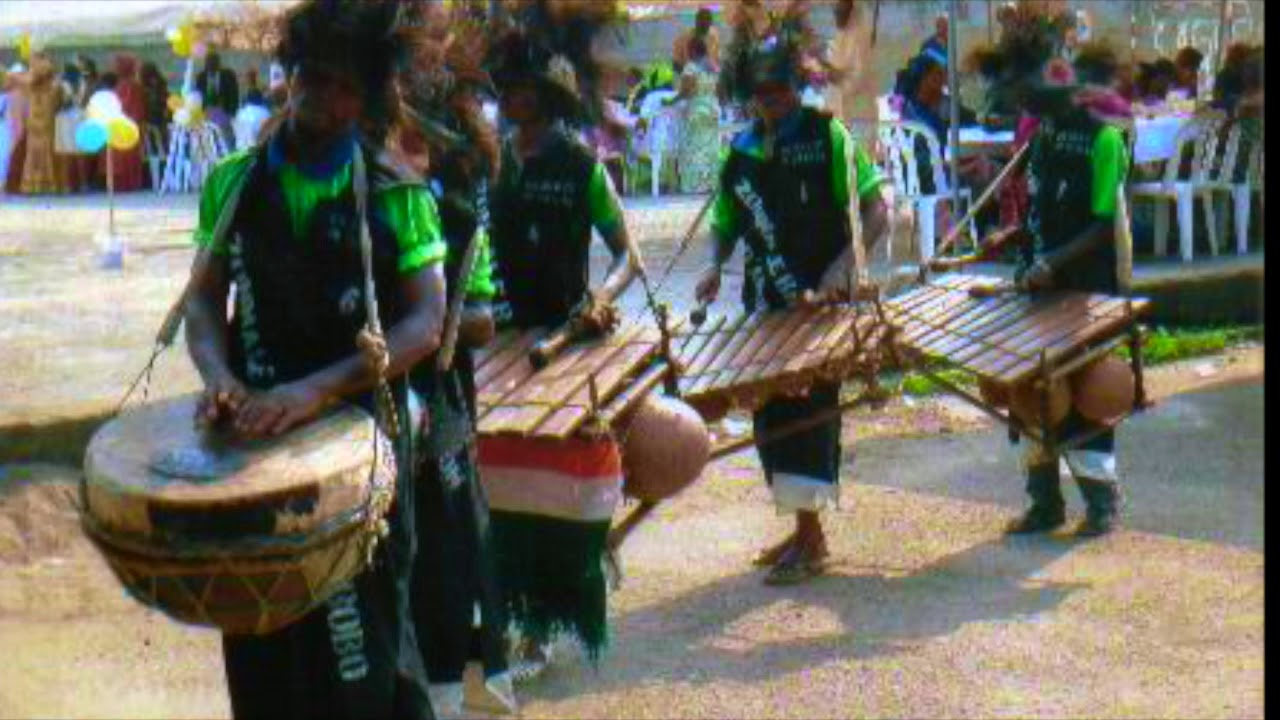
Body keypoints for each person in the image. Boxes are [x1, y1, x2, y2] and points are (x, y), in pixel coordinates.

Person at [181, 1, 446, 717]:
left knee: (361, 656)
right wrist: (222, 379)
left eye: (340, 86)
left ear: (368, 99)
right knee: (262, 657)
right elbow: (201, 305)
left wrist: (316, 392)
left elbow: (426, 323)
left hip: (359, 449)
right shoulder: (233, 182)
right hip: (255, 452)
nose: (318, 97)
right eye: (309, 77)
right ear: (287, 75)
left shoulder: (396, 193)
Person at [699, 8, 890, 585]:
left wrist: (838, 276)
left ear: (796, 85)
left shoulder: (827, 136)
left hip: (822, 309)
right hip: (768, 306)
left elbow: (877, 210)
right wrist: (713, 265)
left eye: (781, 89)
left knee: (811, 416)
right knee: (769, 417)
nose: (772, 100)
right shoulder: (741, 153)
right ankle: (802, 529)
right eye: (762, 93)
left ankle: (812, 538)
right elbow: (726, 220)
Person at [482, 0, 639, 679]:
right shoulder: (491, 163)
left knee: (560, 486)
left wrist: (600, 303)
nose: (510, 100)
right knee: (504, 483)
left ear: (545, 95)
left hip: (570, 346)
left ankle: (549, 619)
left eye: (521, 89)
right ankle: (520, 620)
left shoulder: (580, 164)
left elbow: (629, 255)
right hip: (508, 344)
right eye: (505, 89)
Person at [398, 8, 517, 716]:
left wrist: (425, 326)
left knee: (442, 552)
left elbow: (480, 316)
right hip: (356, 402)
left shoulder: (459, 182)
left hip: (433, 399)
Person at [823, 0, 878, 148]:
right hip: (837, 113)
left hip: (857, 114)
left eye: (840, 6)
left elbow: (857, 82)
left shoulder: (860, 38)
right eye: (834, 7)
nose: (835, 10)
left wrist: (828, 74)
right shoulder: (839, 36)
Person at [16, 53, 68, 195]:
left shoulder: (29, 88)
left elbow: (19, 81)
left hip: (34, 124)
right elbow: (61, 104)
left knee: (33, 154)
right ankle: (53, 185)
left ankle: (32, 185)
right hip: (48, 124)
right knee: (50, 153)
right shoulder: (56, 88)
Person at [674, 36, 720, 193]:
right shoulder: (713, 66)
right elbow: (720, 89)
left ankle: (696, 185)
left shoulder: (691, 67)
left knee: (695, 146)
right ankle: (712, 183)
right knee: (711, 146)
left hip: (698, 109)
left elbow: (686, 91)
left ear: (693, 50)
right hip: (713, 108)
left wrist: (671, 101)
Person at [105, 54, 146, 192]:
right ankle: (123, 182)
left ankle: (127, 183)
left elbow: (131, 106)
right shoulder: (126, 84)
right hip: (123, 124)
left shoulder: (130, 86)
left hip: (127, 125)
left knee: (125, 155)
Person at [196, 51, 240, 142]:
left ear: (218, 63)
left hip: (223, 110)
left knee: (227, 137)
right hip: (207, 110)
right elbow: (198, 95)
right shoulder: (201, 77)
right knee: (210, 137)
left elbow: (234, 93)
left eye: (213, 62)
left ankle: (231, 152)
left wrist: (232, 111)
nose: (211, 65)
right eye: (208, 62)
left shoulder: (228, 75)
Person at [673, 7, 721, 73]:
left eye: (707, 22)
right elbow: (677, 60)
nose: (705, 24)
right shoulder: (685, 37)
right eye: (702, 22)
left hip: (705, 70)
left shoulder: (713, 37)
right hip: (687, 70)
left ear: (710, 23)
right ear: (696, 22)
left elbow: (716, 60)